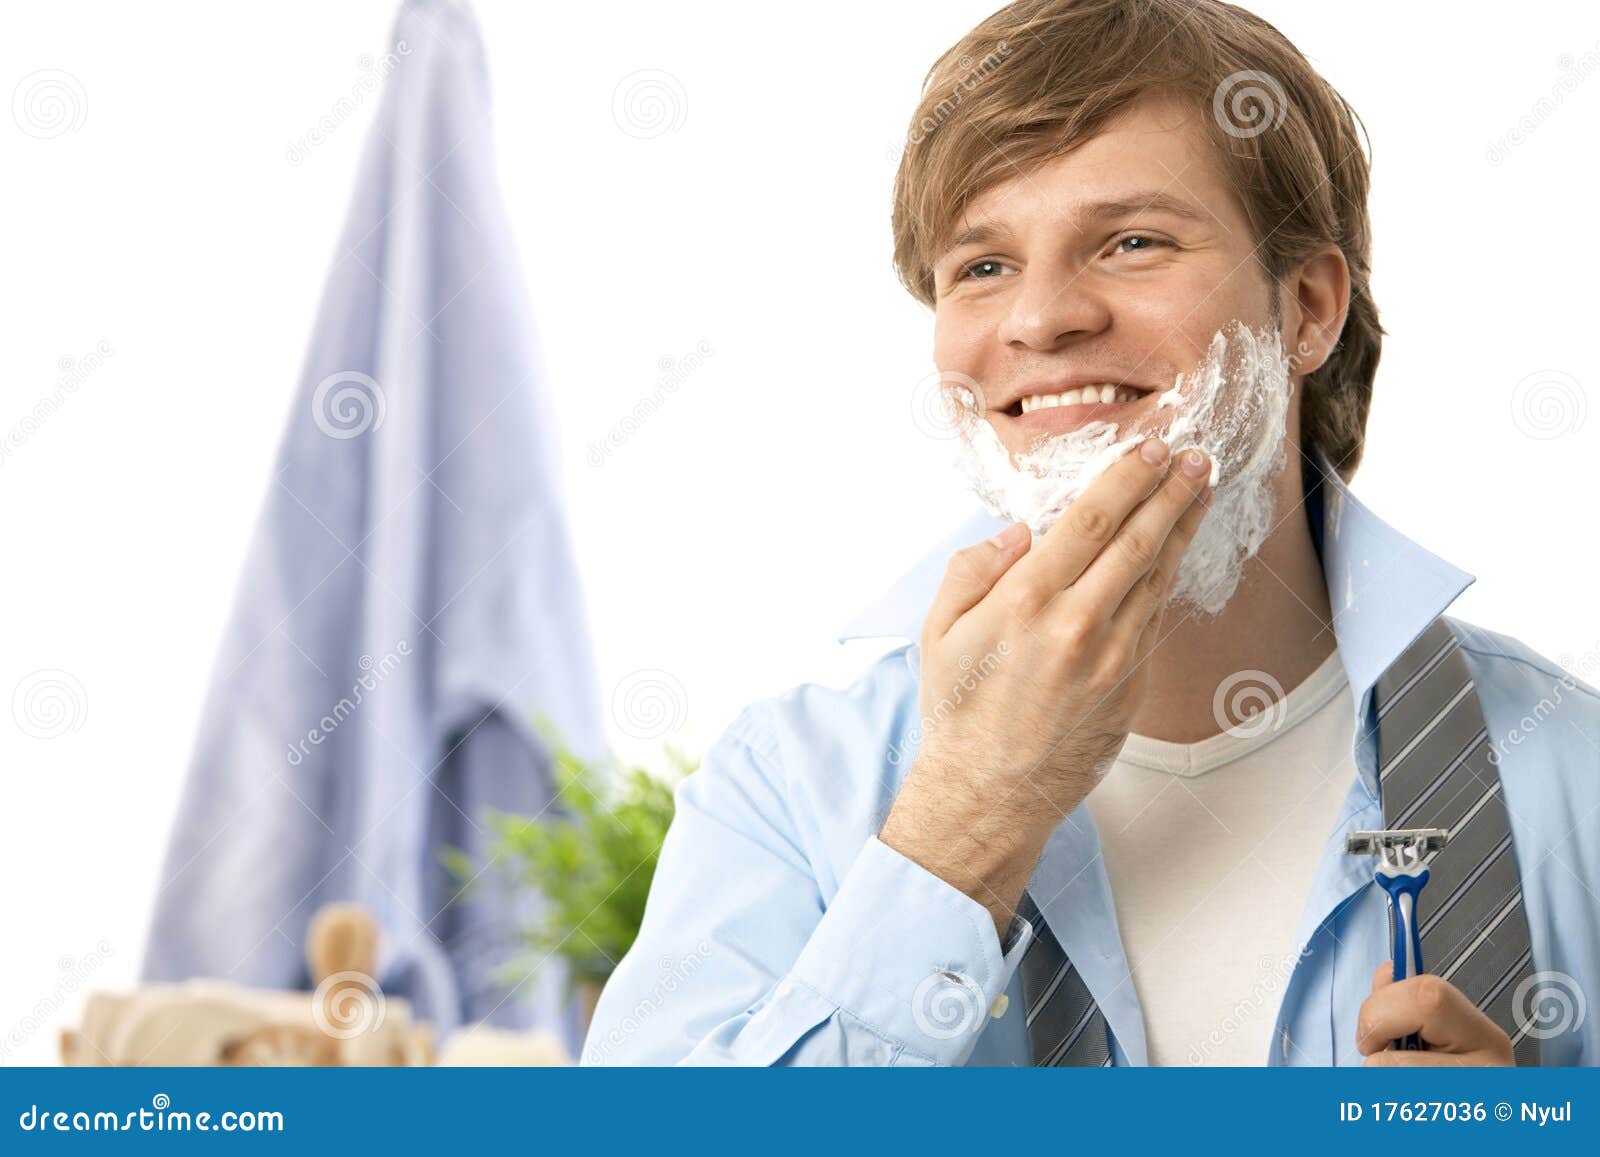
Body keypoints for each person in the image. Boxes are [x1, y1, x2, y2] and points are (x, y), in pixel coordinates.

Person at [583, 0, 1600, 1066]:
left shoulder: (1569, 773)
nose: (1040, 318)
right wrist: (964, 824)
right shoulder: (784, 793)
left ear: (1304, 307)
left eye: (1130, 241)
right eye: (981, 265)